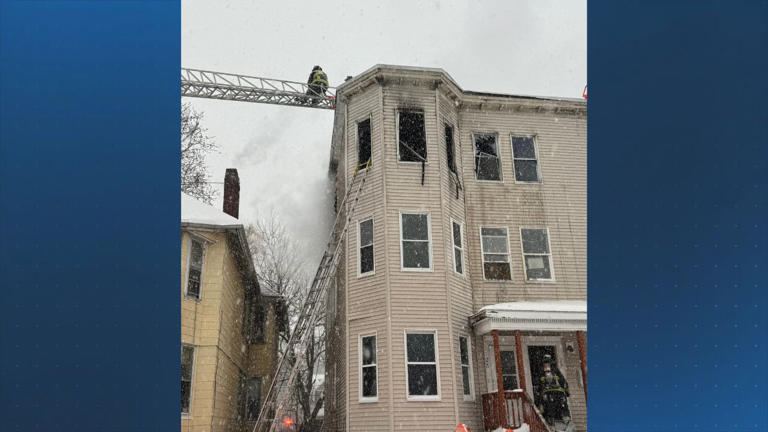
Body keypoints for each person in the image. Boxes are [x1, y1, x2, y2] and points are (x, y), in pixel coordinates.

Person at [533, 354, 571, 426]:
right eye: (546, 362)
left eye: (548, 362)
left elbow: (562, 379)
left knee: (559, 403)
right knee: (559, 404)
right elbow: (562, 380)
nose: (547, 364)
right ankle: (561, 417)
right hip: (551, 392)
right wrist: (566, 389)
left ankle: (559, 417)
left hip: (554, 391)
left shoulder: (552, 370)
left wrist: (566, 389)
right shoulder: (547, 370)